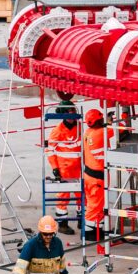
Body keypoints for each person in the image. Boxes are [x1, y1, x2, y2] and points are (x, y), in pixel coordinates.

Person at [44, 97, 83, 232]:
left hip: (79, 168)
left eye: (73, 113)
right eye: (69, 114)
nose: (72, 116)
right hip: (64, 169)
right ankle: (63, 224)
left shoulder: (80, 127)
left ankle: (81, 219)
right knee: (63, 196)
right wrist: (55, 169)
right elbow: (49, 151)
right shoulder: (57, 131)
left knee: (81, 194)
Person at [80, 108, 111, 241]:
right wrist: (123, 115)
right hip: (97, 177)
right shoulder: (101, 133)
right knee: (95, 204)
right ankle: (90, 232)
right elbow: (120, 128)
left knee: (97, 203)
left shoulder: (88, 132)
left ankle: (97, 229)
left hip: (89, 174)